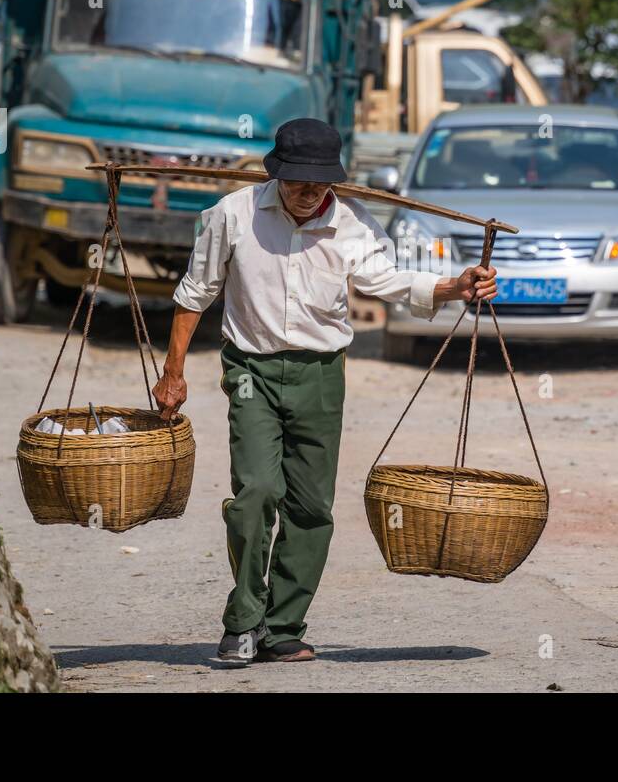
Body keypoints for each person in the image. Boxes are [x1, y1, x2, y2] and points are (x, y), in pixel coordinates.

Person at [152, 117, 498, 663]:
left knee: (311, 506)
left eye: (320, 184)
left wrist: (454, 286)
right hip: (251, 372)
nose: (310, 194)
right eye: (298, 183)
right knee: (257, 493)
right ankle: (243, 618)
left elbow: (389, 282)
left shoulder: (353, 225)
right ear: (277, 176)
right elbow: (195, 294)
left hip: (321, 374)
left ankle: (283, 627)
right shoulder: (232, 215)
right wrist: (173, 372)